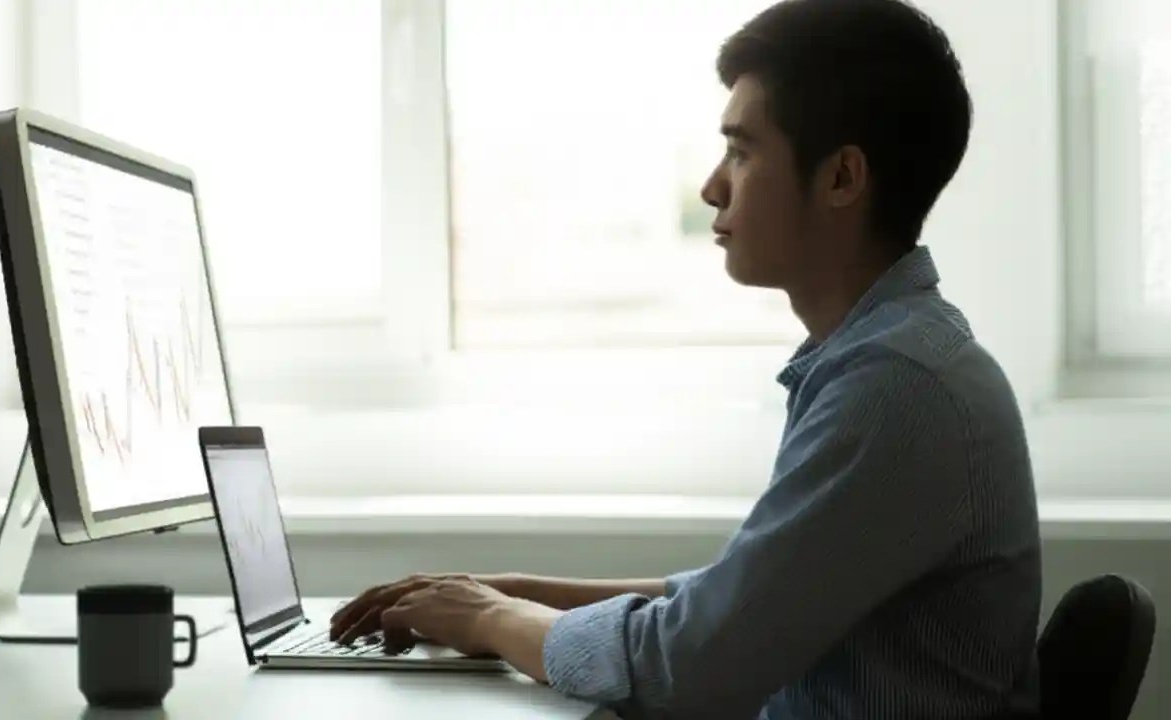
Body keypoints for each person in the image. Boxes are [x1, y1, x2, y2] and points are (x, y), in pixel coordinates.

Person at [330, 0, 1042, 717]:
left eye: (741, 150)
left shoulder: (896, 385)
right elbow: (733, 604)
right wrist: (512, 594)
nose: (712, 187)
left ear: (841, 179)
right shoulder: (887, 357)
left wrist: (489, 621)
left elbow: (690, 663)